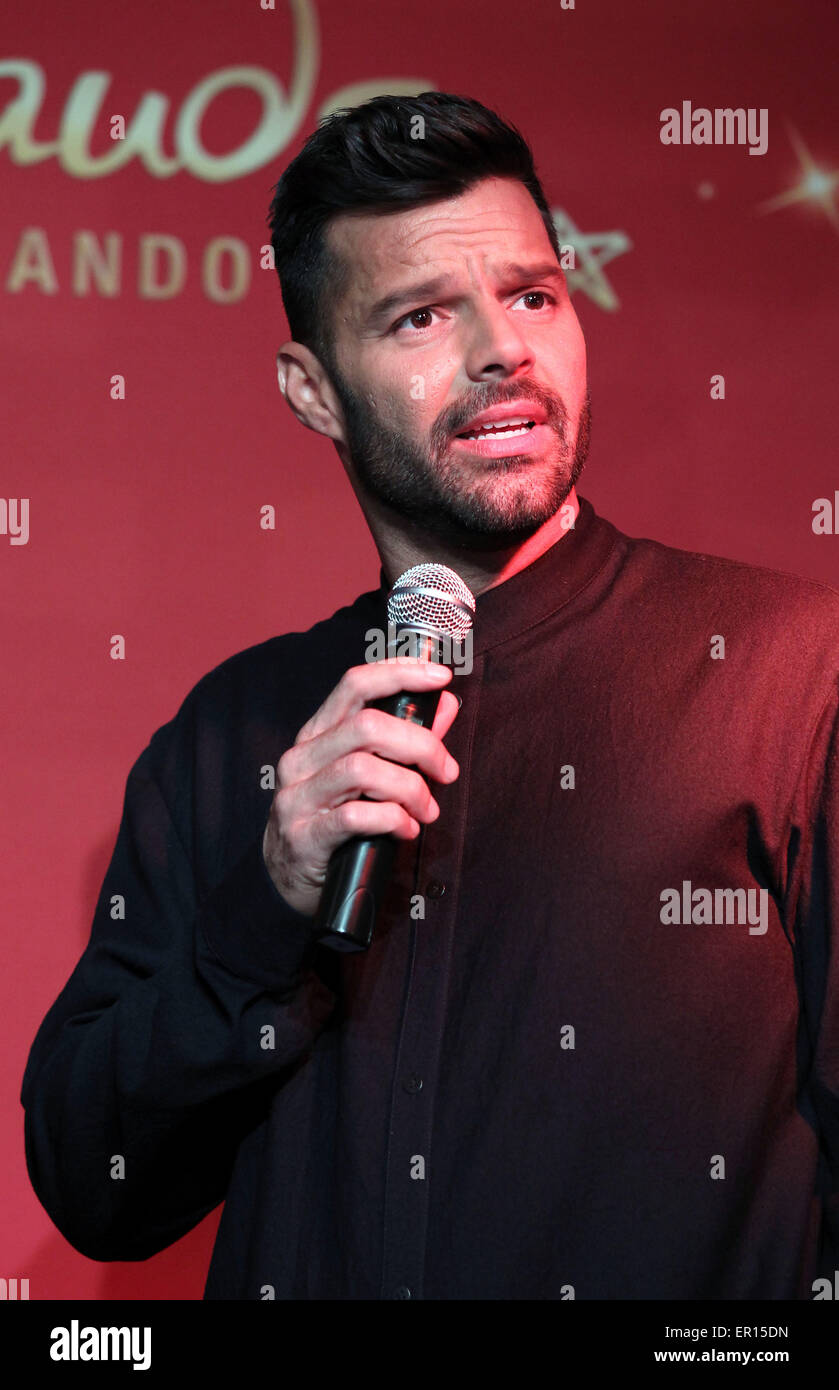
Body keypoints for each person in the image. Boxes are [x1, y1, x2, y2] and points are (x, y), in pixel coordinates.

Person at [22, 91, 839, 1301]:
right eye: (418, 316)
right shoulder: (232, 734)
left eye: (530, 296)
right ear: (311, 391)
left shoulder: (788, 672)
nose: (500, 350)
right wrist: (268, 906)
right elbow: (99, 1186)